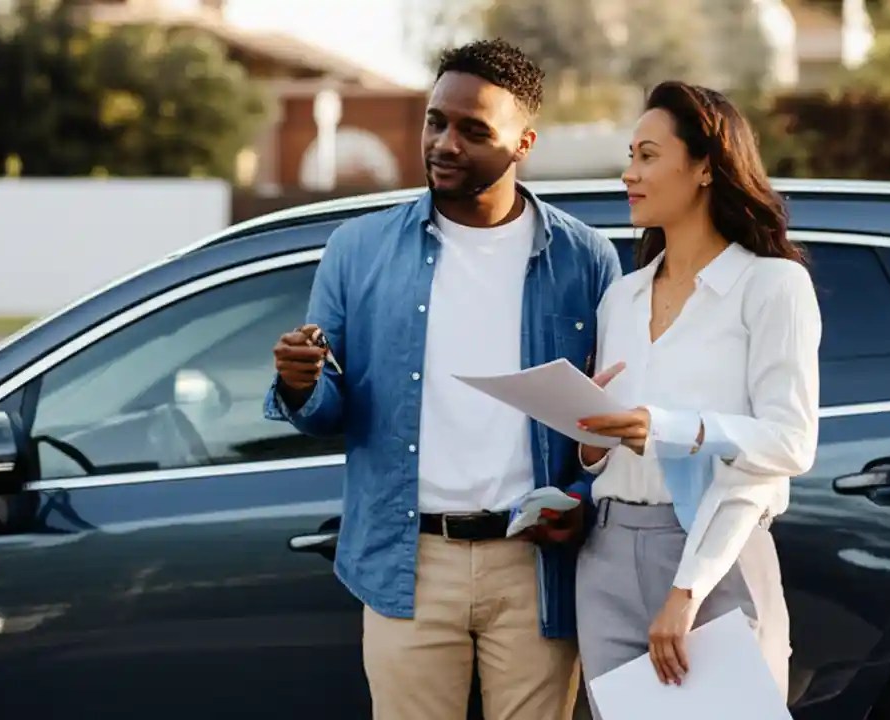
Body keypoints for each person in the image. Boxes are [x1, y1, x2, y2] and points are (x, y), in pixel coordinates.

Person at [264, 39, 622, 720]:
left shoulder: (585, 260)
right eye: (436, 122)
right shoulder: (358, 250)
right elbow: (331, 412)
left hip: (536, 567)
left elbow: (609, 416)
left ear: (523, 143)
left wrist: (579, 496)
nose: (445, 144)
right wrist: (301, 384)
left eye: (473, 130)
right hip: (407, 563)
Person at [573, 80, 821, 715]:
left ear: (706, 166)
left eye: (648, 156)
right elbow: (619, 443)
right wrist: (591, 444)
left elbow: (790, 442)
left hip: (714, 555)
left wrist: (686, 589)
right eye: (630, 155)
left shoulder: (772, 286)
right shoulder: (620, 299)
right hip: (605, 558)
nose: (629, 174)